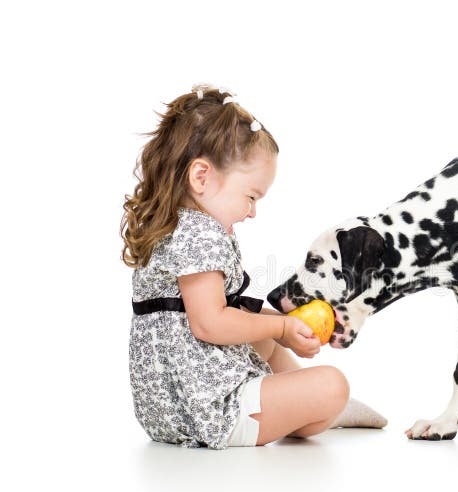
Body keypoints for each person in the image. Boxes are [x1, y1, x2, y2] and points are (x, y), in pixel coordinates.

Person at [121, 83, 386, 450]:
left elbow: (213, 312)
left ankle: (301, 401)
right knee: (333, 385)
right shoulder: (201, 236)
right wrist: (280, 325)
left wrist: (280, 328)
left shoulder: (176, 227)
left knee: (260, 333)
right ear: (201, 177)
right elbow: (209, 322)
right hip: (209, 413)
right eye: (250, 196)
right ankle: (319, 407)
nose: (253, 211)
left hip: (168, 407)